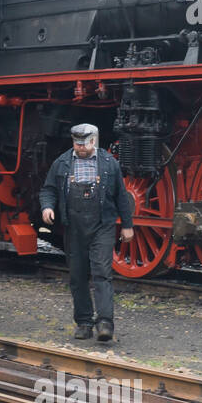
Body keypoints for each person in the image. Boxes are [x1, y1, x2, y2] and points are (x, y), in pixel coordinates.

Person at [39, 124, 135, 342]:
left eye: (84, 143)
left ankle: (105, 323)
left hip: (102, 224)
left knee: (102, 272)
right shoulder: (62, 163)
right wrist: (47, 206)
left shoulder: (110, 163)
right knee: (77, 275)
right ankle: (83, 322)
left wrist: (127, 225)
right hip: (74, 226)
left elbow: (121, 195)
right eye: (77, 143)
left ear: (94, 141)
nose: (80, 147)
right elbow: (48, 189)